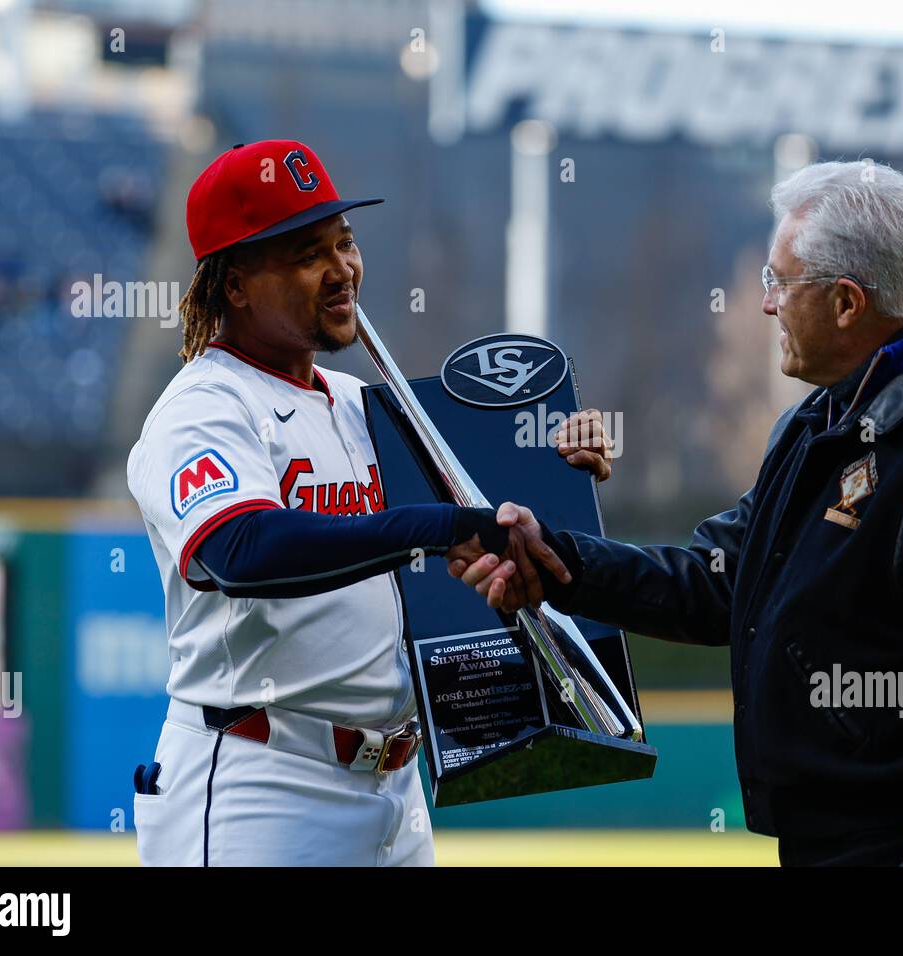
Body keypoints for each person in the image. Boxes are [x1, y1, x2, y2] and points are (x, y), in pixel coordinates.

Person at [451, 161, 903, 866]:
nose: (767, 304)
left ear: (845, 303)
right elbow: (717, 582)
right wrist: (556, 561)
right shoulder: (821, 422)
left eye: (779, 282)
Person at [126, 139, 609, 866]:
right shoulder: (202, 408)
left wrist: (561, 462)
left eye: (344, 242)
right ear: (234, 284)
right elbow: (240, 552)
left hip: (397, 787)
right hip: (261, 780)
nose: (341, 268)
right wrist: (437, 526)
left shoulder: (365, 406)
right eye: (305, 252)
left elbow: (493, 518)